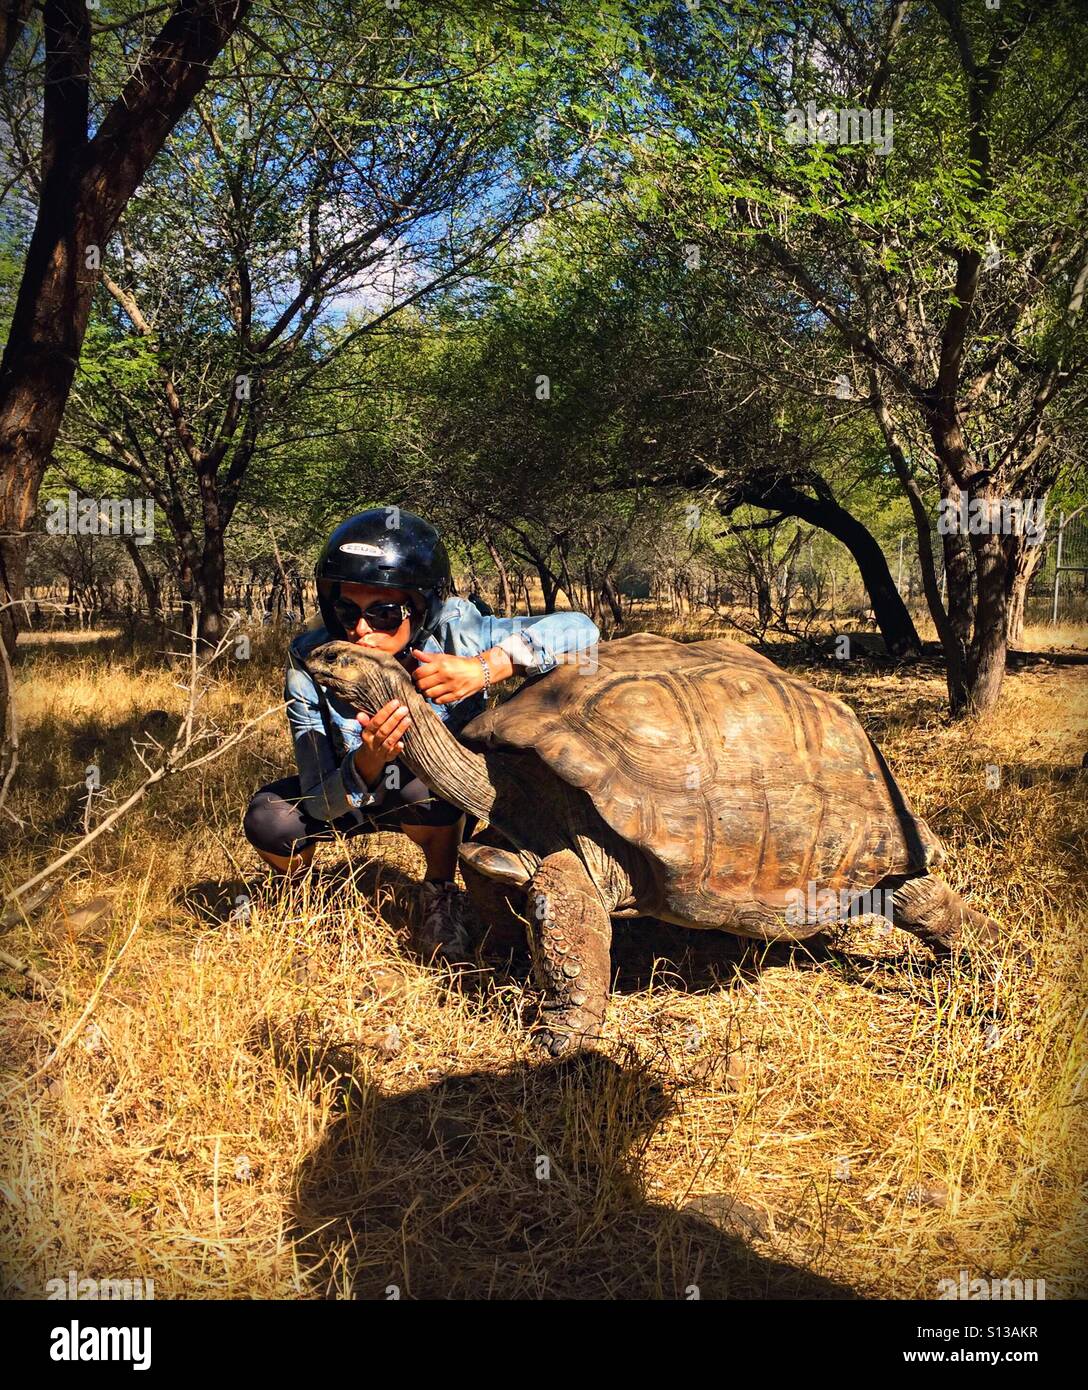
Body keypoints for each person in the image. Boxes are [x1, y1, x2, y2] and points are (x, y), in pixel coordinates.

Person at [243, 509, 599, 956]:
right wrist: (366, 763)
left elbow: (582, 629)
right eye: (346, 610)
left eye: (386, 613)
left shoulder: (459, 633)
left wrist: (485, 668)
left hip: (434, 797)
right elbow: (316, 799)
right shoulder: (313, 659)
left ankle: (440, 893)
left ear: (421, 606)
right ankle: (297, 894)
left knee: (427, 787)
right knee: (269, 818)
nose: (361, 629)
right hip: (349, 795)